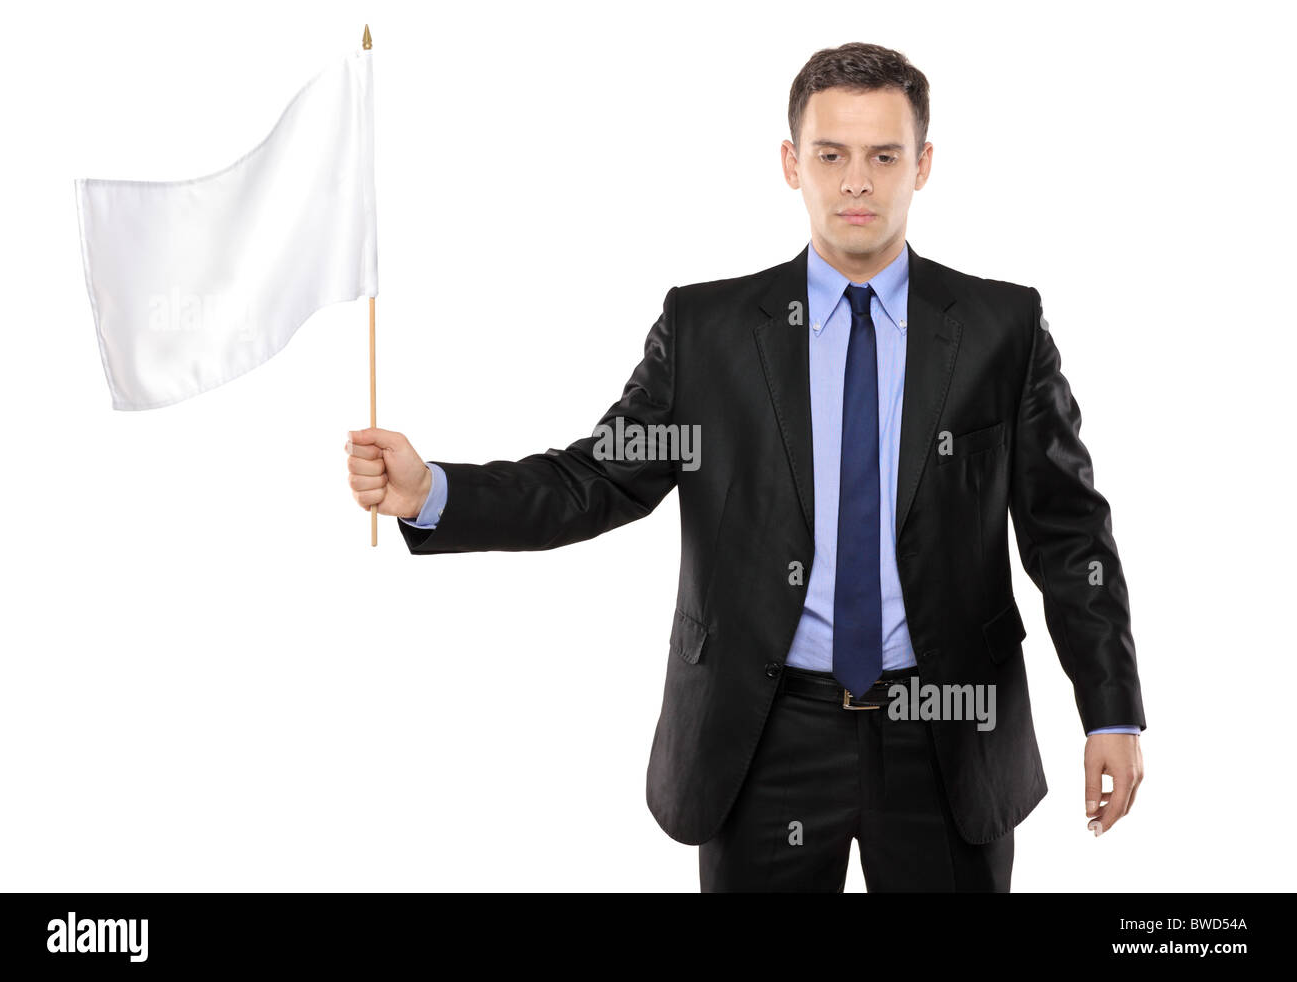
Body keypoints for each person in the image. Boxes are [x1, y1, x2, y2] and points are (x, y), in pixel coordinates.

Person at [343, 41, 1145, 892]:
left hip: (946, 732)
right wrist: (434, 491)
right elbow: (600, 478)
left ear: (925, 165)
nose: (857, 181)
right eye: (831, 155)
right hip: (765, 738)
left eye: (884, 156)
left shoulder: (1002, 327)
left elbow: (1068, 532)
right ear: (792, 164)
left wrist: (1112, 711)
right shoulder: (710, 332)